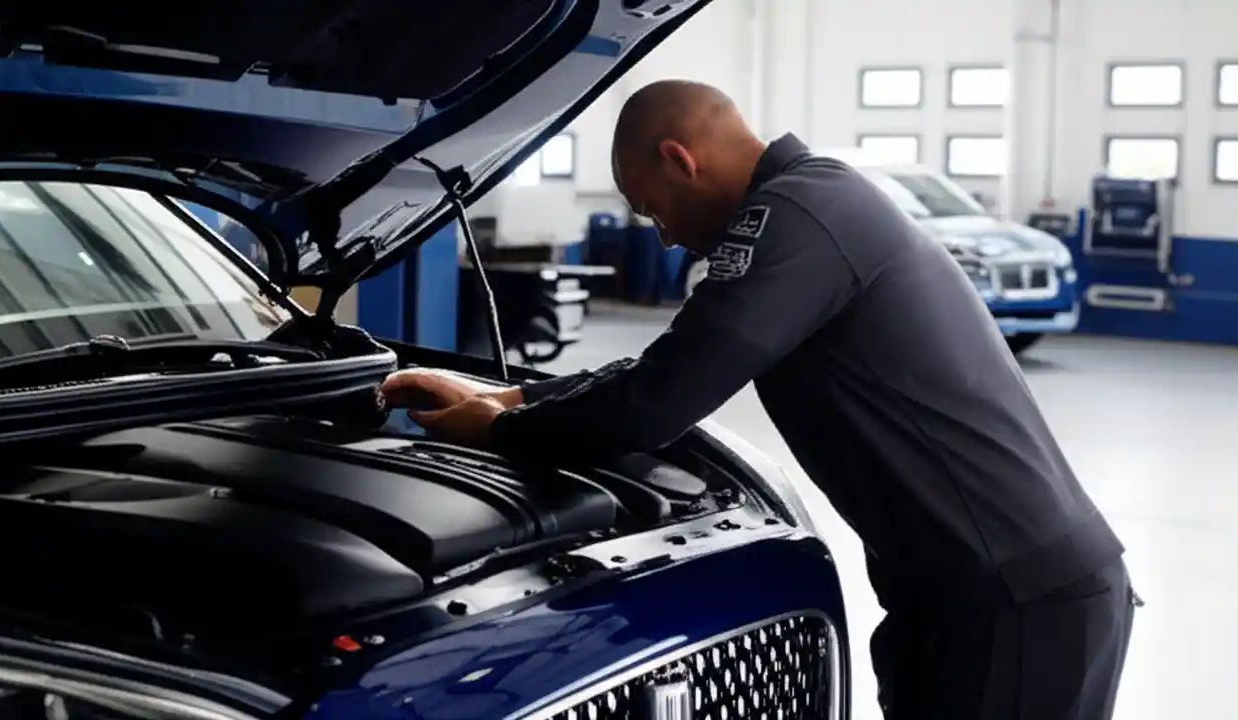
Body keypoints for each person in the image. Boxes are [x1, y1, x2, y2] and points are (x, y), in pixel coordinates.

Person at [381, 80, 1136, 719]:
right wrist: (504, 391)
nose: (665, 237)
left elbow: (655, 404)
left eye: (653, 209)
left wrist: (507, 429)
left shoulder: (797, 216)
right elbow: (665, 367)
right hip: (966, 593)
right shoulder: (816, 205)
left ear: (681, 159)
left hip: (1012, 601)